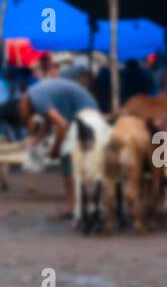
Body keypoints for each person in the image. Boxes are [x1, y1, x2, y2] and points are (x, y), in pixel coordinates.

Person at [5, 76, 102, 220]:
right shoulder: (34, 94)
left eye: (25, 117)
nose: (28, 118)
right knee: (67, 157)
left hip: (85, 113)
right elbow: (49, 123)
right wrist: (36, 141)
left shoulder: (37, 99)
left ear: (21, 105)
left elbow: (61, 125)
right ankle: (76, 205)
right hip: (81, 111)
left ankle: (74, 207)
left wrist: (55, 149)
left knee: (66, 156)